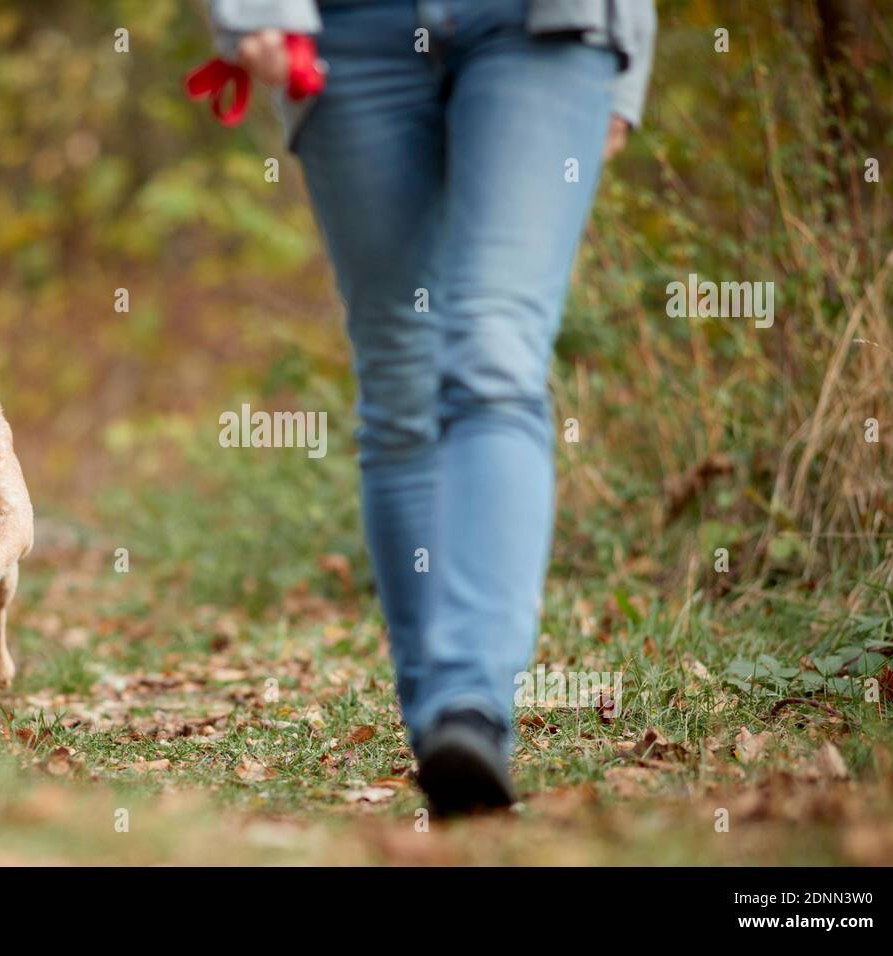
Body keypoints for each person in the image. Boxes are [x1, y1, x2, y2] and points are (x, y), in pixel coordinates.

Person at [209, 0, 656, 815]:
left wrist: (629, 56)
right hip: (352, 32)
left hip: (542, 26)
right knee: (400, 382)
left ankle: (468, 706)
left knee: (494, 354)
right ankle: (443, 739)